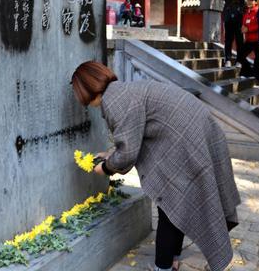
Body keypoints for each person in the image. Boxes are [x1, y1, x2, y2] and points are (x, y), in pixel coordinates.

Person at [71, 61, 241, 271]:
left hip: (186, 140)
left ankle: (164, 266)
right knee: (177, 200)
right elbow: (133, 136)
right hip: (198, 130)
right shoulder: (122, 91)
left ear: (86, 90)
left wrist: (105, 168)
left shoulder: (114, 102)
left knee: (169, 201)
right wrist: (108, 155)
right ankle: (172, 258)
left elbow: (127, 154)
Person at [221, 0, 253, 67]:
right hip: (239, 17)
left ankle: (227, 60)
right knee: (239, 39)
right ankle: (239, 61)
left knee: (228, 39)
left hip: (228, 17)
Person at [238, 0, 259, 77]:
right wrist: (242, 28)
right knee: (240, 56)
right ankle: (248, 72)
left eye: (251, 0)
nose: (249, 2)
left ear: (255, 2)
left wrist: (248, 29)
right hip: (249, 40)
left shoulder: (258, 11)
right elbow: (244, 24)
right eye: (248, 0)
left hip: (257, 40)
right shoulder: (247, 13)